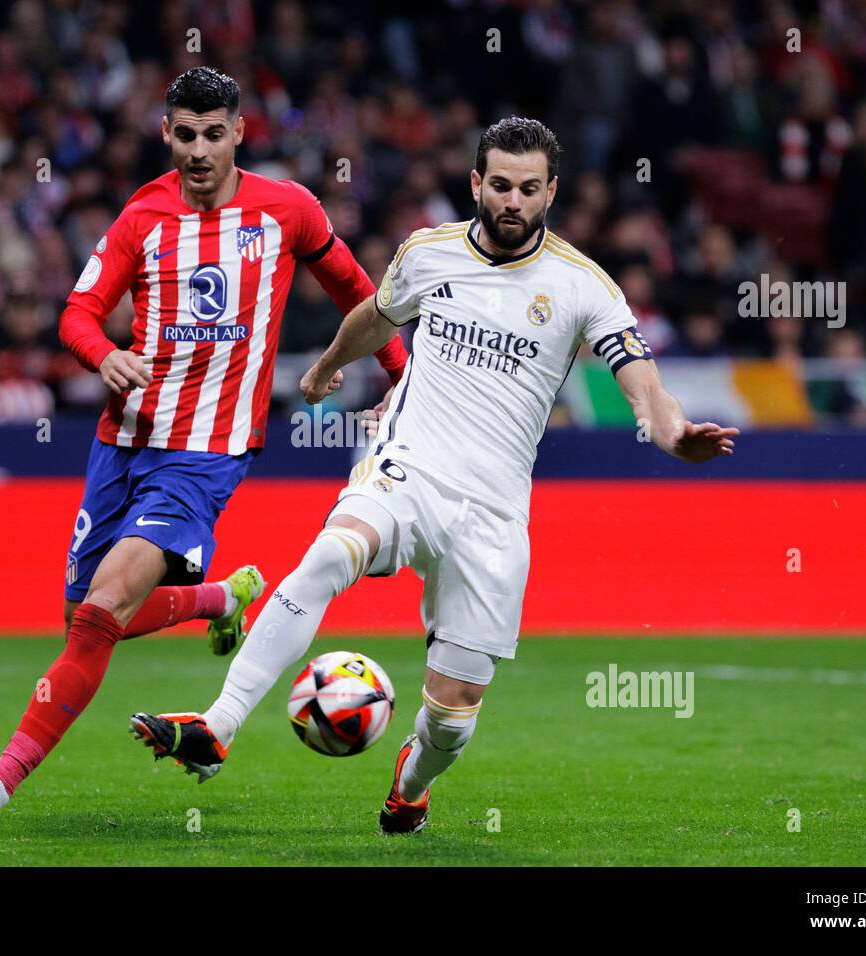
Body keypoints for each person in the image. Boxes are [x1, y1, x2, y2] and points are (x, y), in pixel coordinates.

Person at [130, 116, 739, 832]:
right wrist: (329, 366)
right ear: (478, 183)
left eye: (530, 189)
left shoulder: (584, 287)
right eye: (502, 185)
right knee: (330, 554)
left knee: (451, 719)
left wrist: (669, 431)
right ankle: (218, 726)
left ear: (551, 193)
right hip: (407, 468)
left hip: (493, 516)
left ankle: (411, 784)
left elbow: (639, 376)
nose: (514, 201)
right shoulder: (429, 252)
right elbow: (378, 315)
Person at [0, 67, 407, 821]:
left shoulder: (289, 210)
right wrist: (102, 354)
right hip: (123, 441)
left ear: (240, 133)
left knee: (104, 608)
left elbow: (360, 293)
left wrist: (400, 379)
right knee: (84, 615)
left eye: (214, 134)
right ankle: (223, 595)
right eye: (184, 134)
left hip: (205, 453)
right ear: (166, 134)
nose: (199, 150)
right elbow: (78, 314)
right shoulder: (142, 217)